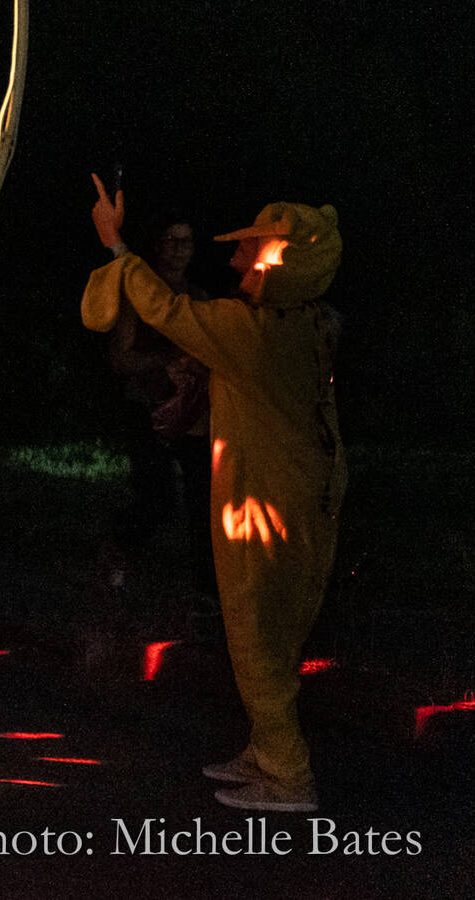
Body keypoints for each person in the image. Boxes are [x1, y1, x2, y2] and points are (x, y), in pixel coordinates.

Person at [84, 178, 344, 813]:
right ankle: (267, 749)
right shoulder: (307, 322)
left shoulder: (253, 331)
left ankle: (288, 776)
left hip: (268, 503)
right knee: (273, 632)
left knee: (256, 633)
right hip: (302, 495)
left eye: (254, 251)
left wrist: (115, 243)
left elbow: (166, 311)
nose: (235, 260)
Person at [104, 214, 215, 599]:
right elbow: (121, 359)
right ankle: (119, 546)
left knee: (205, 497)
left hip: (191, 409)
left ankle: (208, 589)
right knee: (158, 497)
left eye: (186, 241)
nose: (179, 249)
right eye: (171, 240)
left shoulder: (198, 298)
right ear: (157, 245)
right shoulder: (140, 294)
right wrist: (169, 357)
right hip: (146, 406)